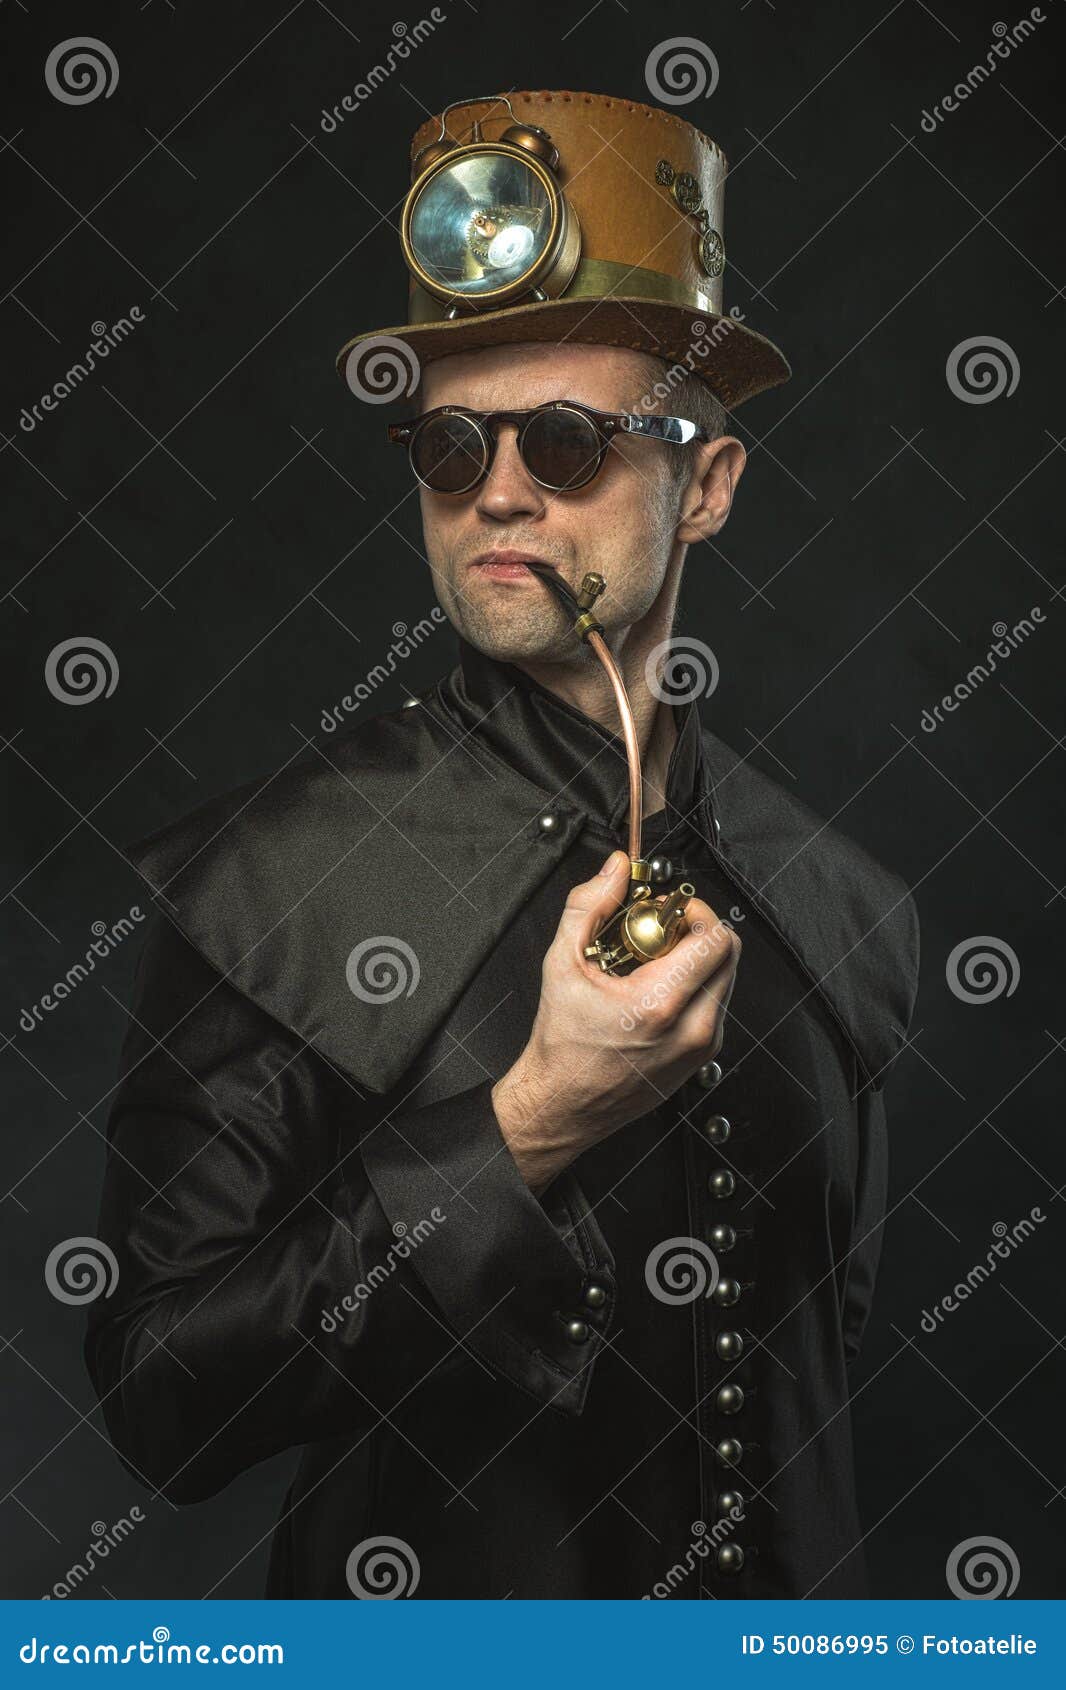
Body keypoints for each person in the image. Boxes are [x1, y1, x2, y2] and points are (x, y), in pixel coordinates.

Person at [86, 90, 919, 1600]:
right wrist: (527, 1121)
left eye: (564, 438)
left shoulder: (850, 913)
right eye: (451, 445)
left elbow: (815, 1389)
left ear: (708, 484)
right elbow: (161, 1398)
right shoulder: (280, 883)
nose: (503, 489)